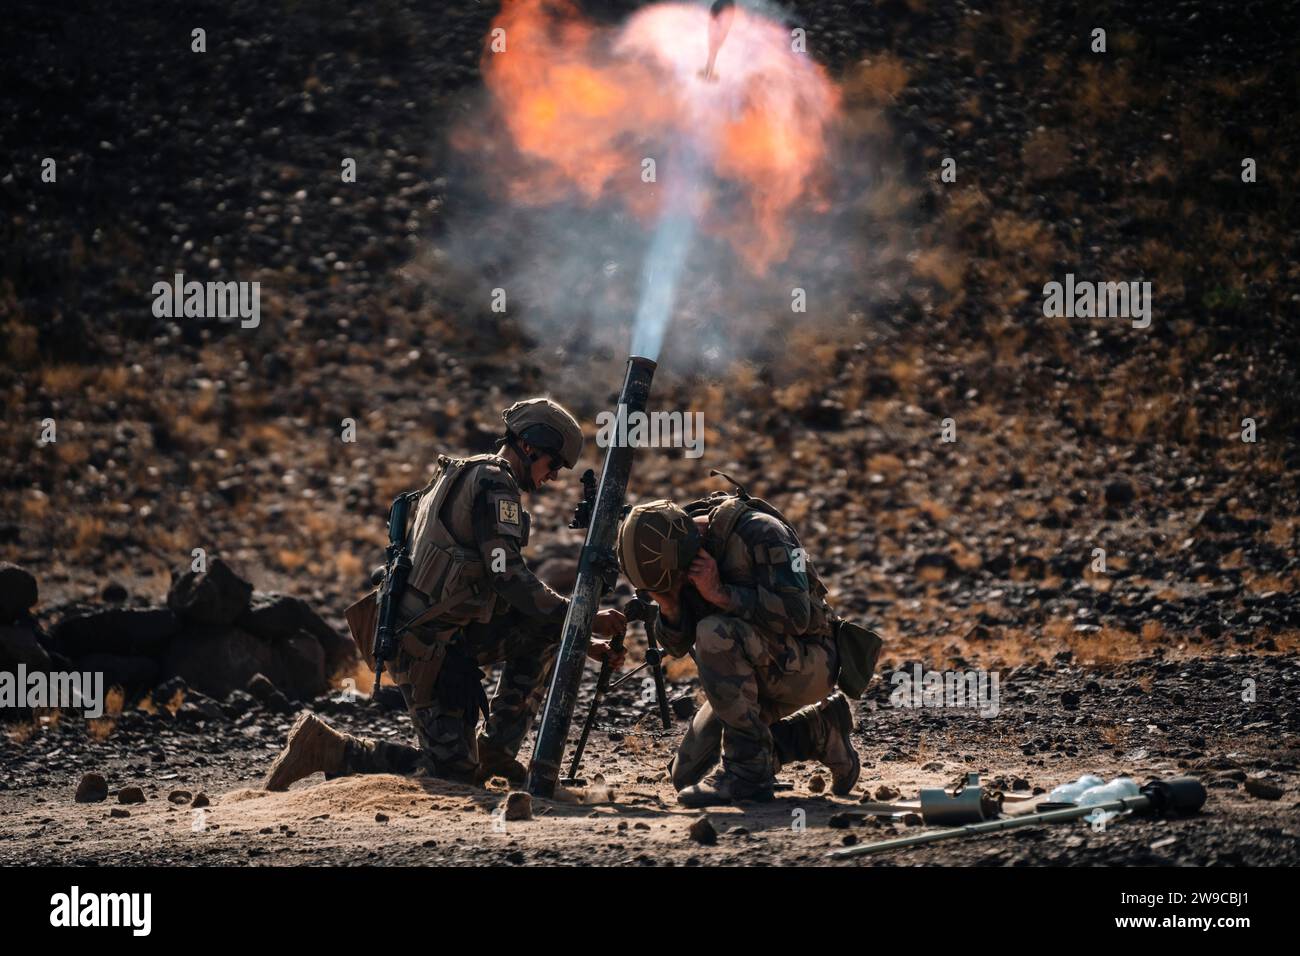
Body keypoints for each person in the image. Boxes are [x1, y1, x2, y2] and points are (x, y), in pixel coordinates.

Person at [265, 397, 625, 790]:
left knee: (547, 624)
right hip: (423, 647)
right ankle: (329, 748)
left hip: (447, 635)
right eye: (553, 463)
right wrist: (581, 616)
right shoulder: (494, 483)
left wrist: (579, 636)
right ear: (528, 445)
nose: (554, 476)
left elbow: (491, 588)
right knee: (453, 776)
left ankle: (496, 754)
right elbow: (507, 577)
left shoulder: (471, 472)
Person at [617, 492, 859, 807]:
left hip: (810, 661)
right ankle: (819, 732)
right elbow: (676, 647)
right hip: (750, 667)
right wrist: (670, 603)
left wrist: (721, 594)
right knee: (687, 777)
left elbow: (799, 616)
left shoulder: (761, 532)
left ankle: (748, 777)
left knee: (714, 632)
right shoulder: (678, 560)